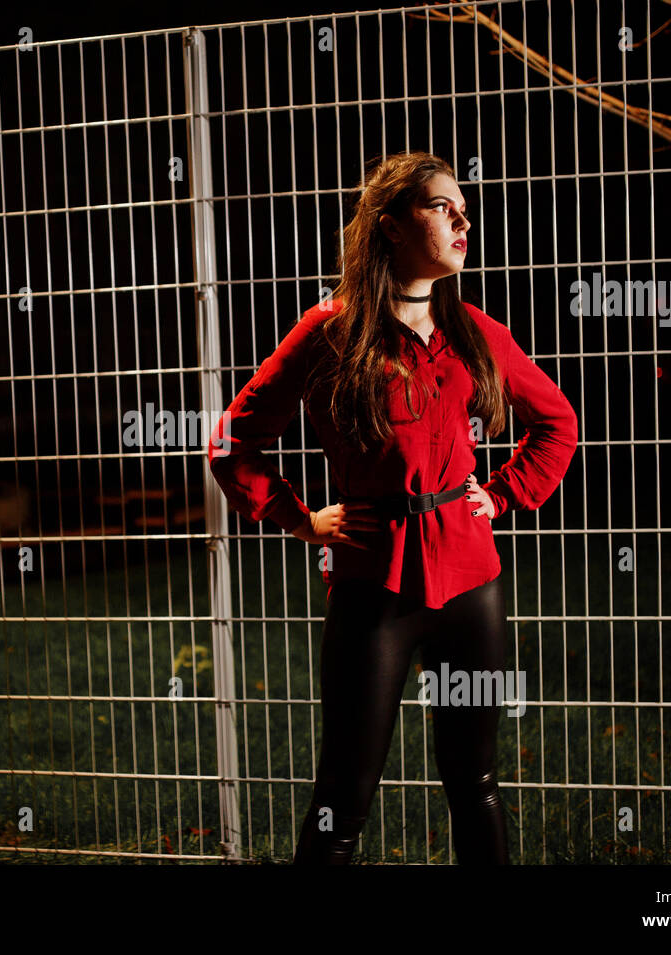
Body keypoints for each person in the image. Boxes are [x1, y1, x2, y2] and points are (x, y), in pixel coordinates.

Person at [207, 151, 578, 864]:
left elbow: (557, 423)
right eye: (441, 206)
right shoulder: (329, 330)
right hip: (372, 586)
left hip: (473, 585)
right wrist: (300, 517)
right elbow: (234, 440)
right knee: (343, 796)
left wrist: (500, 495)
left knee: (476, 783)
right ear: (391, 226)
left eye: (462, 205)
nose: (463, 218)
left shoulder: (474, 329)